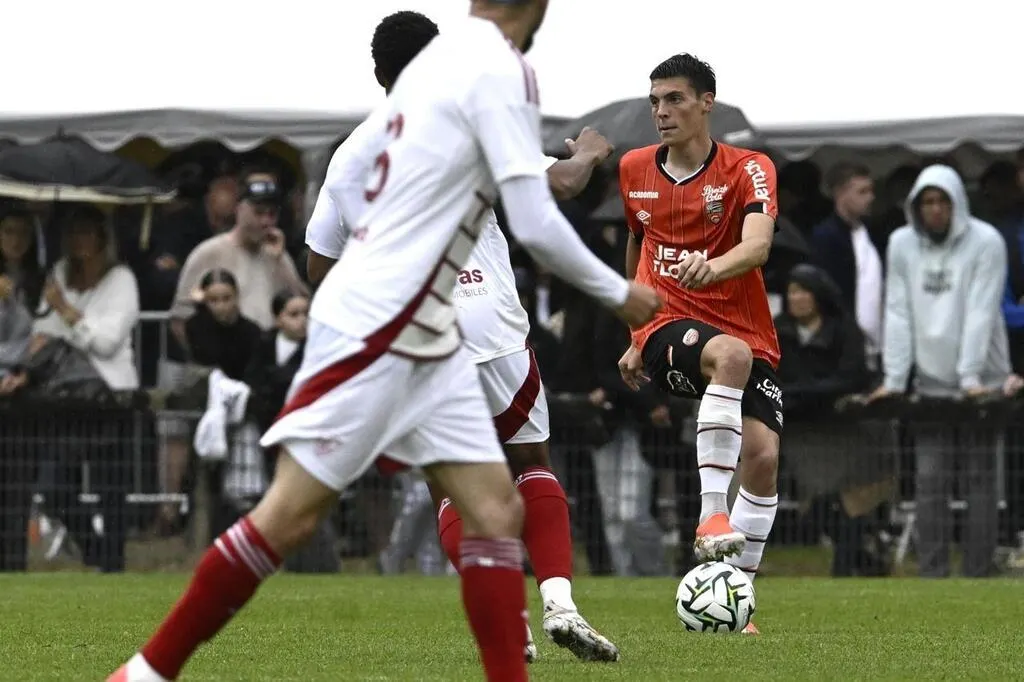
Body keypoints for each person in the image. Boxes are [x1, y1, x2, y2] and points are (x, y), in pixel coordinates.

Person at [108, 2, 660, 681]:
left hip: (430, 331)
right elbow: (539, 219)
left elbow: (327, 254)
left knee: (490, 508)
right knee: (288, 518)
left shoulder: (402, 109)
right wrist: (619, 291)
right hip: (382, 329)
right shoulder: (493, 71)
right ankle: (143, 673)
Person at [304, 10, 619, 664]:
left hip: (420, 334)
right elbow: (559, 183)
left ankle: (516, 626)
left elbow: (319, 268)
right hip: (492, 323)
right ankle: (558, 599)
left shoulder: (350, 157)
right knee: (532, 464)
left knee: (448, 488)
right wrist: (587, 150)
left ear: (378, 74)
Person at [616, 53, 781, 635]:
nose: (662, 112)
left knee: (762, 461)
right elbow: (638, 248)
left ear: (706, 101)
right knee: (728, 357)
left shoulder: (749, 168)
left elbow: (758, 246)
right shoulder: (634, 168)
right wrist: (636, 332)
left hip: (745, 326)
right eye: (655, 101)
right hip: (668, 323)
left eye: (675, 99)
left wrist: (711, 268)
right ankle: (712, 516)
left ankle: (738, 600)